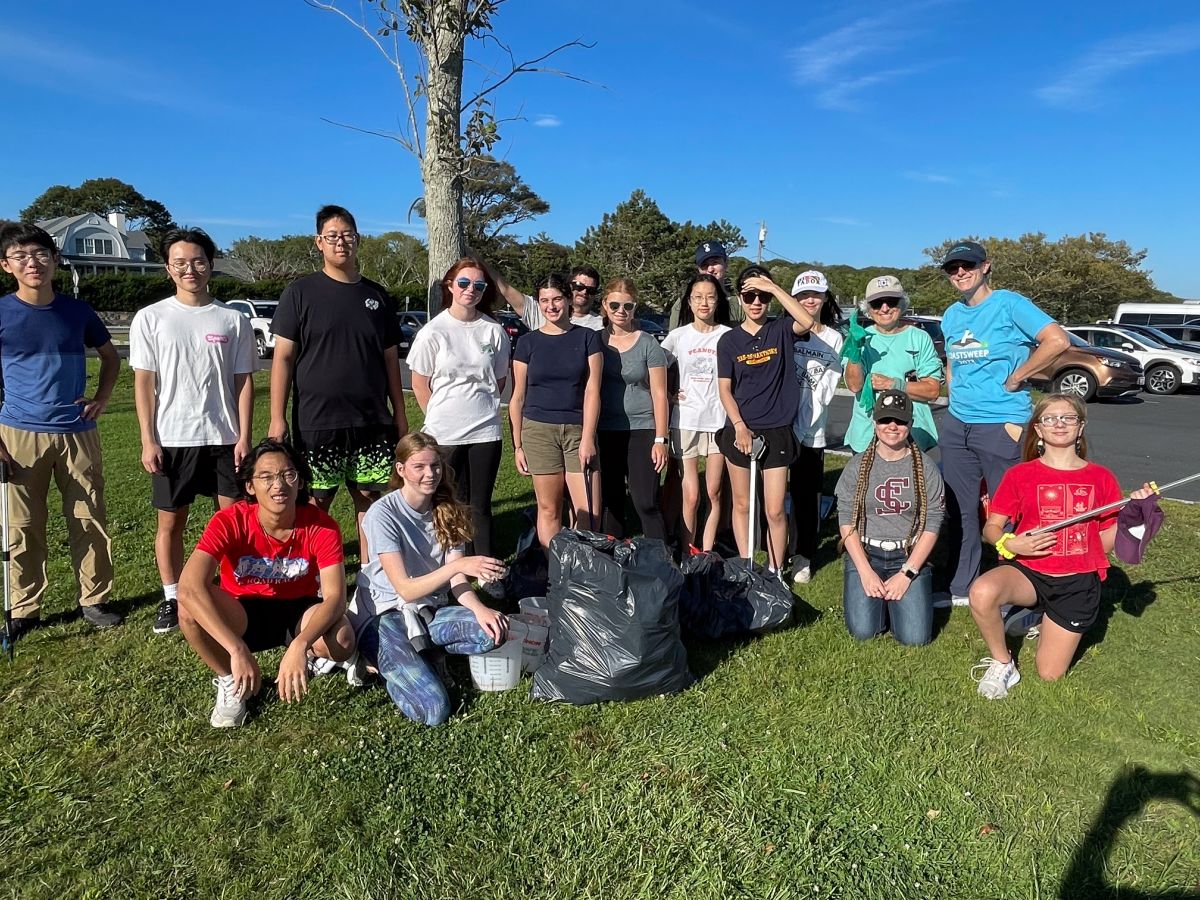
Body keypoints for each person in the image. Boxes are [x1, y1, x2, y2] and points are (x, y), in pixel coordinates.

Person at [967, 393, 1154, 700]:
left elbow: (1106, 544)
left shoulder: (1101, 478)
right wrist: (1010, 543)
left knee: (1050, 674)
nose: (1059, 424)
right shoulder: (1019, 474)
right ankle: (1003, 663)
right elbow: (991, 527)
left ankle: (1040, 617)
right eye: (1050, 418)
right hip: (1028, 573)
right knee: (982, 592)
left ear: (1080, 427)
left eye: (1068, 417)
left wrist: (1134, 517)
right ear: (1038, 429)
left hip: (1077, 583)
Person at [177, 439, 357, 727]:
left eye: (288, 475)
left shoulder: (321, 525)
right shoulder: (229, 521)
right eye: (266, 476)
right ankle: (230, 681)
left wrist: (300, 645)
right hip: (242, 610)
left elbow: (335, 598)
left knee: (343, 640)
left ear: (299, 482)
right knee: (188, 610)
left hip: (298, 609)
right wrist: (236, 650)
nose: (278, 485)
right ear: (250, 486)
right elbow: (187, 588)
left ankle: (308, 657)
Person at [130, 228, 256, 635]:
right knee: (171, 523)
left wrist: (244, 437)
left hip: (223, 438)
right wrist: (149, 439)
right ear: (169, 268)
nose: (190, 269)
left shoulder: (233, 320)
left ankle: (236, 588)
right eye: (181, 262)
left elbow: (243, 382)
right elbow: (144, 383)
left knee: (235, 518)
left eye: (198, 261)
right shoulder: (151, 318)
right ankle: (172, 596)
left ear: (210, 264)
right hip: (173, 438)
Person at [0, 222, 122, 639]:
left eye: (40, 255)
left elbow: (110, 358)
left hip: (77, 430)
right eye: (21, 256)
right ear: (6, 265)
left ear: (53, 260)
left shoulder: (77, 312)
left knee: (89, 516)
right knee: (22, 524)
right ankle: (24, 607)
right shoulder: (1, 312)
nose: (32, 263)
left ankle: (95, 598)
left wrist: (101, 399)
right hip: (17, 433)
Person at [268, 205, 408, 556]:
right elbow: (282, 358)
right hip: (317, 421)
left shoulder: (378, 296)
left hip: (372, 420)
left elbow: (392, 363)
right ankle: (314, 580)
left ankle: (370, 580)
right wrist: (276, 417)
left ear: (358, 240)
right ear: (319, 242)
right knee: (316, 506)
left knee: (371, 505)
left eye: (347, 235)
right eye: (332, 236)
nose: (340, 242)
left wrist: (400, 417)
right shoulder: (300, 294)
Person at [939, 240, 1071, 606]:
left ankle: (1015, 590)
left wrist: (1018, 377)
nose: (960, 273)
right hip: (957, 423)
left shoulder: (1009, 304)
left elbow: (1056, 340)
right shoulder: (951, 315)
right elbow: (951, 360)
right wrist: (955, 395)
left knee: (1006, 510)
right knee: (959, 507)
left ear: (985, 267)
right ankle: (961, 586)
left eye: (967, 265)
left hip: (1001, 423)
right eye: (953, 268)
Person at [350, 432, 511, 726]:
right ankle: (377, 659)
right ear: (401, 470)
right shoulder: (382, 514)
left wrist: (479, 608)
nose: (430, 474)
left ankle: (425, 653)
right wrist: (459, 566)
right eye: (419, 467)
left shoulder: (448, 510)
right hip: (385, 614)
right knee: (434, 710)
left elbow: (457, 579)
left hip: (429, 611)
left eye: (435, 466)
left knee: (494, 629)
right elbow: (405, 589)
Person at [407, 258, 510, 564]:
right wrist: (440, 416)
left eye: (479, 285)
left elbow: (499, 380)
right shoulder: (433, 332)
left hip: (485, 431)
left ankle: (485, 565)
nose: (470, 290)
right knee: (447, 499)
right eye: (464, 283)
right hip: (444, 433)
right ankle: (450, 565)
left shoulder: (494, 331)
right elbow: (419, 384)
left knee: (479, 503)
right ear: (450, 286)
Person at [716, 265, 816, 571]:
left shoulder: (781, 329)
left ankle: (775, 569)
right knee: (743, 504)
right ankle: (747, 567)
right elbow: (725, 390)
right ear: (740, 298)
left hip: (777, 430)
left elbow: (807, 320)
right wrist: (740, 428)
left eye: (762, 296)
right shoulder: (729, 341)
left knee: (774, 509)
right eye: (750, 295)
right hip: (741, 430)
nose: (756, 302)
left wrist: (773, 287)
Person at [835, 390, 945, 646]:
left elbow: (933, 524)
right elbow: (846, 522)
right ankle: (876, 597)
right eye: (885, 420)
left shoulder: (926, 468)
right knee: (863, 632)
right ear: (875, 423)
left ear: (910, 424)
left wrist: (907, 573)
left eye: (900, 421)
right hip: (866, 552)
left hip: (907, 555)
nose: (892, 426)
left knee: (914, 638)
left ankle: (898, 596)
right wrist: (865, 572)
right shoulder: (857, 465)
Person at [509, 273, 603, 548]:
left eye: (557, 299)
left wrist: (587, 437)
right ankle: (556, 574)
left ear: (569, 299)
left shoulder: (587, 338)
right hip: (538, 431)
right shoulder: (528, 342)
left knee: (589, 513)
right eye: (544, 300)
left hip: (577, 430)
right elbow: (517, 398)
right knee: (549, 510)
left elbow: (592, 390)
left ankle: (584, 572)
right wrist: (518, 445)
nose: (551, 306)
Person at [661, 274, 732, 551]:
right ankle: (687, 550)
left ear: (718, 301)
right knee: (690, 496)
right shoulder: (677, 337)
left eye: (710, 296)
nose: (704, 302)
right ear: (689, 302)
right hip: (685, 420)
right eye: (698, 297)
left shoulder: (727, 335)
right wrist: (667, 395)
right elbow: (651, 366)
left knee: (713, 491)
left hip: (718, 420)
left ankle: (706, 551)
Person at [596, 277, 669, 541]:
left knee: (645, 501)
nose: (621, 311)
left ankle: (660, 560)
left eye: (627, 306)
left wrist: (661, 439)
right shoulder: (595, 342)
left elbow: (660, 393)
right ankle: (615, 561)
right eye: (614, 305)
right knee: (611, 501)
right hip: (605, 431)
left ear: (634, 308)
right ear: (604, 305)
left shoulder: (648, 343)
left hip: (643, 429)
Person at [842, 275, 942, 454]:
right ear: (868, 309)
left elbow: (932, 391)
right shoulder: (860, 337)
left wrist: (892, 384)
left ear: (902, 304)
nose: (884, 308)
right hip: (867, 433)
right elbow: (854, 386)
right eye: (877, 303)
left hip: (911, 432)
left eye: (891, 301)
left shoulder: (919, 338)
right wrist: (854, 352)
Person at [787, 271, 845, 584]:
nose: (810, 300)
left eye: (816, 295)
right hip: (779, 424)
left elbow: (827, 387)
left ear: (825, 298)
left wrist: (807, 419)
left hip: (812, 429)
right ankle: (773, 548)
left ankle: (803, 555)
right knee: (770, 494)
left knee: (806, 494)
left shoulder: (834, 338)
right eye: (803, 295)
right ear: (793, 299)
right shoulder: (783, 331)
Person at [489, 262, 605, 331]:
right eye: (579, 286)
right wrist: (474, 258)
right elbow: (506, 289)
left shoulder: (602, 325)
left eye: (591, 290)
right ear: (568, 286)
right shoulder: (544, 311)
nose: (584, 292)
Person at [667, 240, 746, 328]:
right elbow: (674, 338)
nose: (710, 269)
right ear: (698, 269)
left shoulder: (739, 304)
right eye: (704, 265)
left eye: (715, 262)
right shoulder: (683, 303)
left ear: (726, 262)